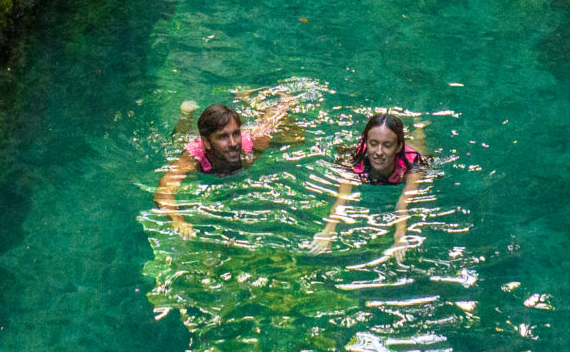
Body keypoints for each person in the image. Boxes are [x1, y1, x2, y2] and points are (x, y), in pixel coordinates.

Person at [154, 93, 300, 237]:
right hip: (197, 150)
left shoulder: (252, 143)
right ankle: (185, 117)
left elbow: (270, 122)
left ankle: (244, 97)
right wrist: (178, 221)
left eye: (236, 134)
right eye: (223, 137)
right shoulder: (193, 156)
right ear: (206, 142)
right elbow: (163, 190)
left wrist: (285, 103)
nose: (233, 143)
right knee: (179, 141)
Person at [310, 113, 429, 254]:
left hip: (407, 156)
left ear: (397, 147)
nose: (379, 152)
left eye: (387, 145)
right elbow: (342, 200)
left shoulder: (412, 166)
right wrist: (328, 231)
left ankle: (418, 127)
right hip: (370, 170)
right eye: (373, 144)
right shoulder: (352, 162)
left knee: (418, 142)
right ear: (365, 143)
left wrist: (400, 237)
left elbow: (402, 204)